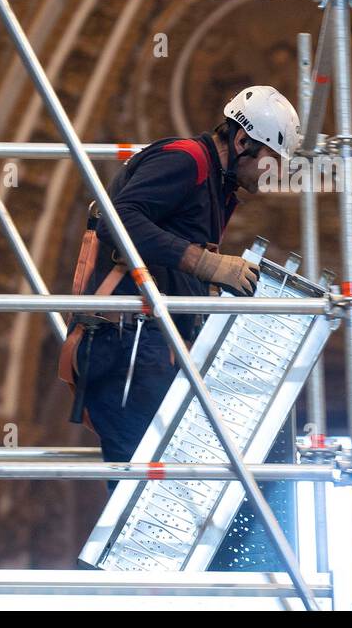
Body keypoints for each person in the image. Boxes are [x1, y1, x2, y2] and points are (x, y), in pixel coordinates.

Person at [57, 85, 302, 475]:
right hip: (128, 348)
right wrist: (206, 265)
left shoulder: (216, 187)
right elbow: (115, 220)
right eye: (272, 160)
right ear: (243, 141)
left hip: (147, 349)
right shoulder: (187, 161)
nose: (274, 173)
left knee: (161, 484)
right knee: (146, 489)